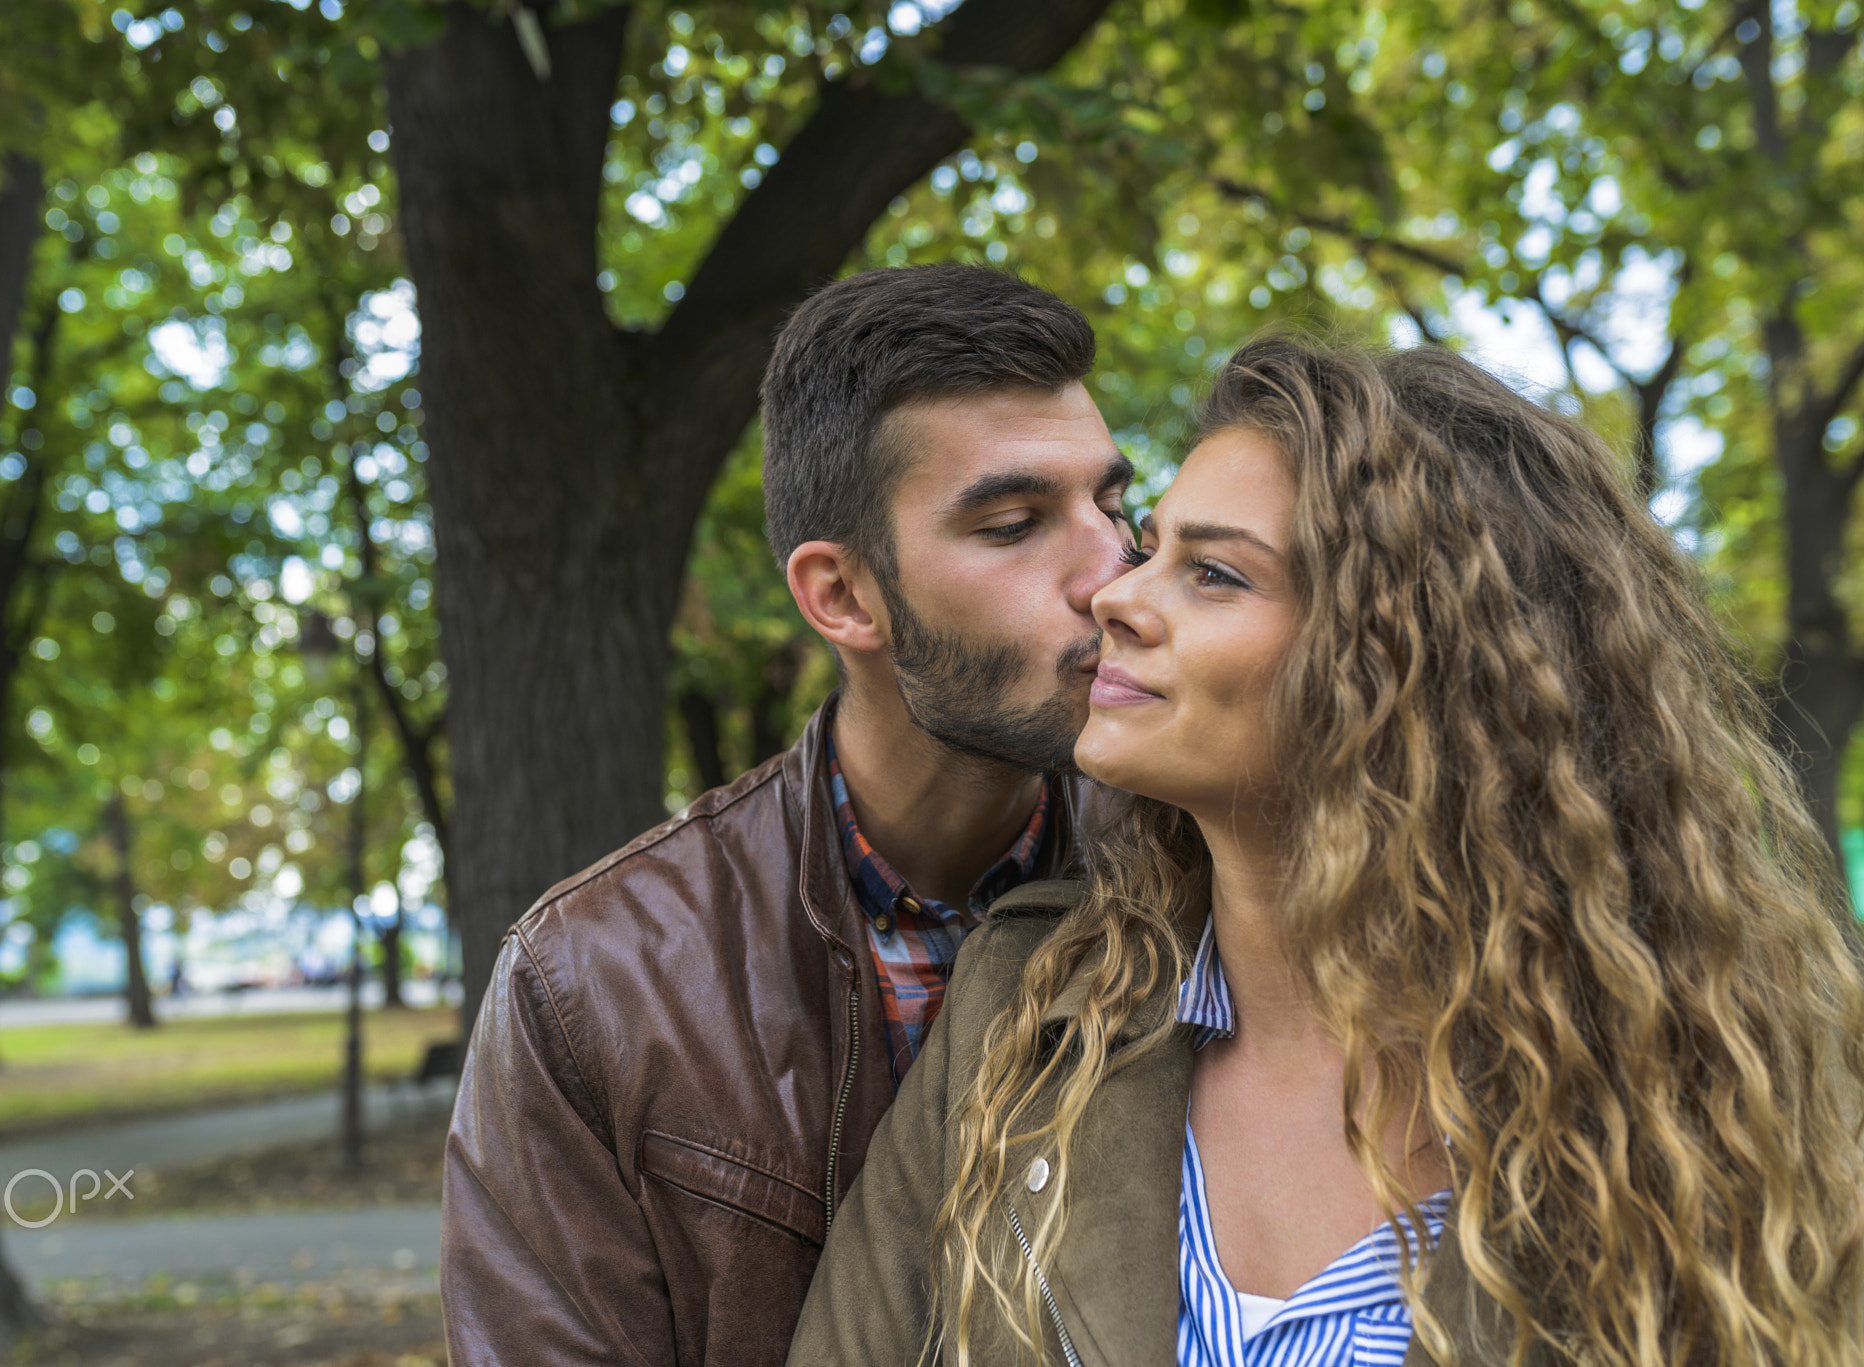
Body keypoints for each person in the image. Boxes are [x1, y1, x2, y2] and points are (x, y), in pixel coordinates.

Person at [787, 334, 1864, 1367]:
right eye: (1152, 542)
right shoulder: (1026, 1012)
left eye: (1211, 574)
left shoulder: (1713, 1097)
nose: (1114, 595)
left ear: (1409, 663)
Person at [441, 264, 1141, 1367]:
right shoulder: (590, 983)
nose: (1113, 576)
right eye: (1013, 524)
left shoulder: (1204, 874)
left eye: (1111, 502)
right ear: (841, 597)